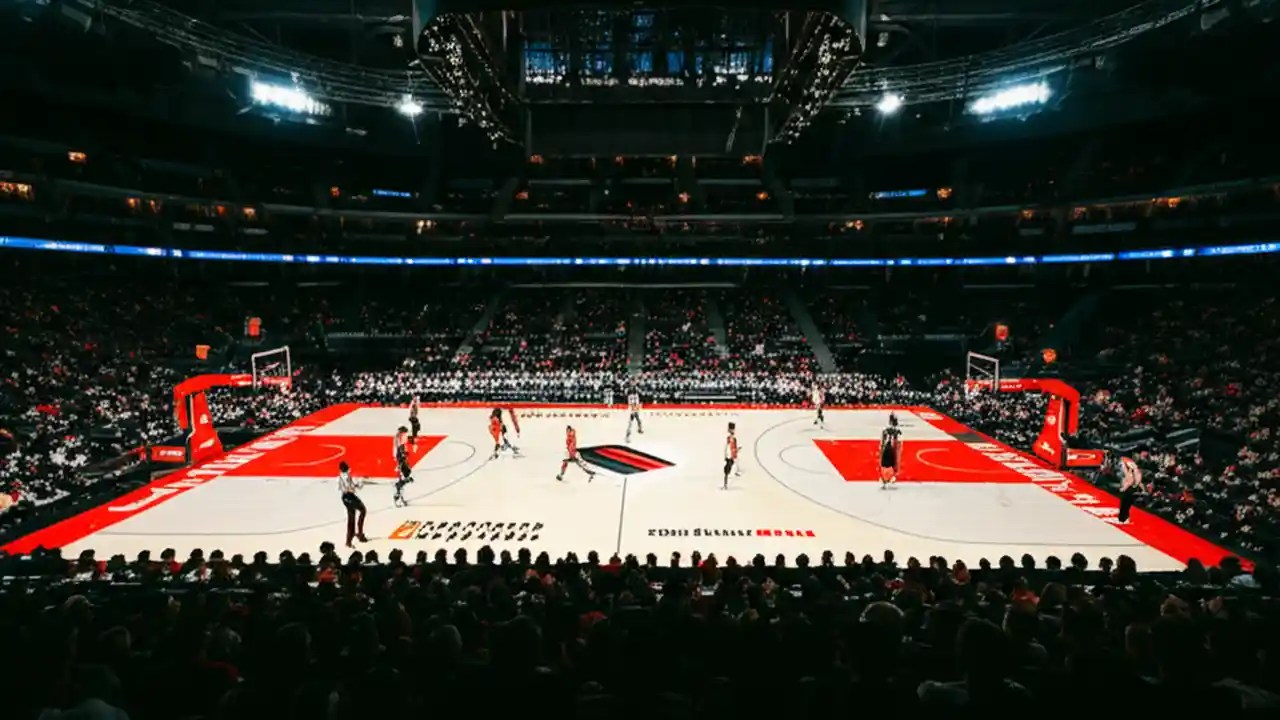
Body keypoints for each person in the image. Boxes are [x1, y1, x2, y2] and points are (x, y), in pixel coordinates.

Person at [338, 461, 368, 549]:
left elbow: (340, 488)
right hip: (349, 496)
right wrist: (358, 485)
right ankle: (359, 534)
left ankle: (349, 539)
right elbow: (350, 487)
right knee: (362, 510)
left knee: (351, 516)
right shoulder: (346, 476)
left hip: (345, 497)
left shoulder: (340, 476)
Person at [1116, 454, 1147, 524]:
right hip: (1133, 485)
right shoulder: (1133, 466)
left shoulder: (1127, 465)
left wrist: (1124, 488)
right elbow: (1136, 479)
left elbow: (1131, 479)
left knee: (1125, 503)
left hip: (1130, 487)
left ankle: (1122, 518)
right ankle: (1123, 518)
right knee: (1127, 504)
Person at [880, 413, 902, 487]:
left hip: (888, 448)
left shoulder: (887, 431)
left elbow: (883, 439)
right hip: (890, 448)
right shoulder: (895, 431)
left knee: (887, 462)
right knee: (891, 462)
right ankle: (887, 479)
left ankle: (886, 479)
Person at [393, 425, 413, 507]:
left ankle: (400, 498)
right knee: (401, 480)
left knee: (403, 478)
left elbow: (400, 449)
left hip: (400, 459)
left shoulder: (398, 437)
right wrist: (403, 456)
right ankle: (398, 498)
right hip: (400, 460)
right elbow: (400, 449)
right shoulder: (399, 438)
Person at [723, 422, 740, 489]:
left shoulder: (733, 438)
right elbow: (728, 446)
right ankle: (726, 484)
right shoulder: (730, 438)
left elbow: (733, 446)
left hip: (731, 455)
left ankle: (726, 484)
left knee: (728, 469)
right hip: (730, 455)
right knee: (727, 469)